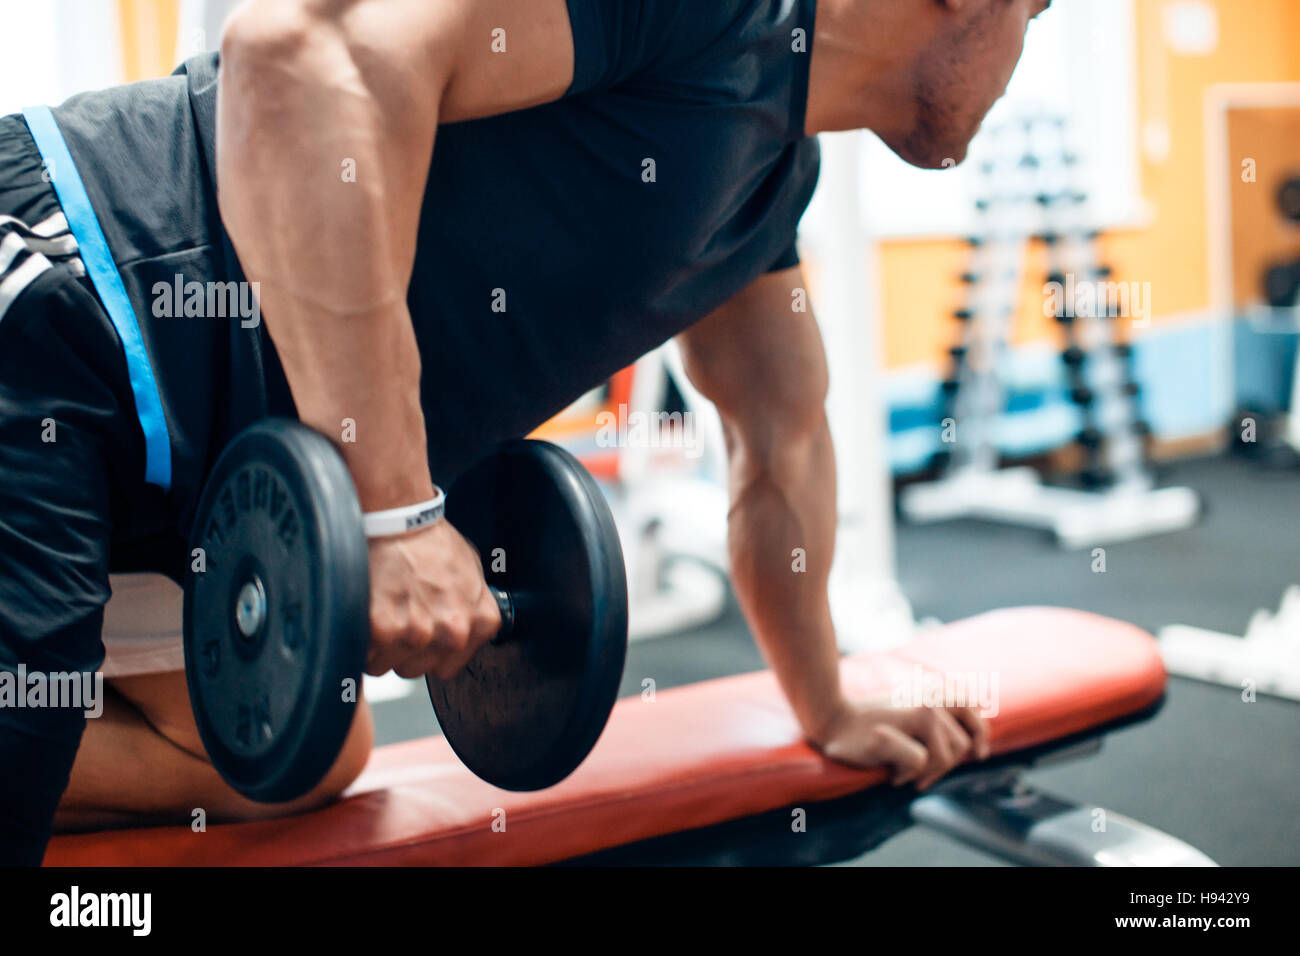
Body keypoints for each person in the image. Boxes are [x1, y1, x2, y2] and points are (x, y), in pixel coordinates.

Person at [0, 0, 1049, 864]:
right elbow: (296, 49)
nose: (1021, 58)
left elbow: (785, 442)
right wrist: (394, 507)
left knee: (282, 761)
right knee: (22, 748)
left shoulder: (768, 183)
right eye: (1035, 14)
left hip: (184, 473)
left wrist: (825, 701)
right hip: (74, 288)